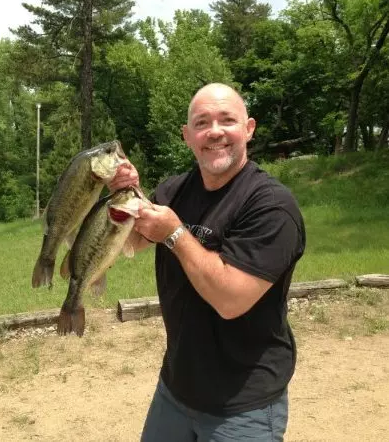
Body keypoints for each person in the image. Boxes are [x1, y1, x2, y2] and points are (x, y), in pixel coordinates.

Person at [109, 83, 306, 441]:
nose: (214, 131)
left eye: (226, 120)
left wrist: (175, 233)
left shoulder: (271, 205)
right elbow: (135, 241)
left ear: (248, 129)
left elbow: (230, 300)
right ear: (187, 136)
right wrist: (128, 195)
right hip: (175, 387)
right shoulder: (173, 191)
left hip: (244, 403)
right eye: (202, 123)